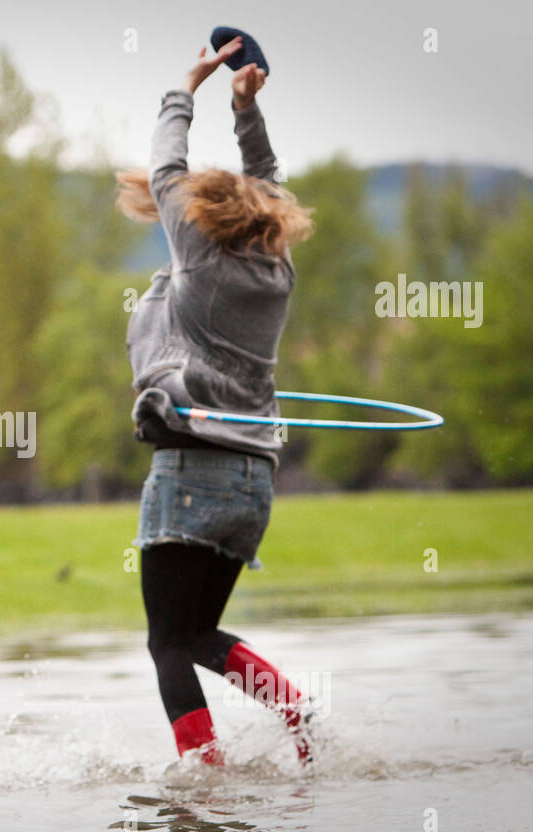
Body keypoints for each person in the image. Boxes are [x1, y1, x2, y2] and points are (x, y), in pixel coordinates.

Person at [116, 38, 316, 766]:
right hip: (253, 479)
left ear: (200, 220)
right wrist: (245, 107)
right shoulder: (277, 268)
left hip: (193, 467)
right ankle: (294, 706)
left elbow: (167, 166)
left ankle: (203, 774)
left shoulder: (198, 262)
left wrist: (186, 86)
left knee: (166, 641)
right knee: (197, 634)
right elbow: (266, 180)